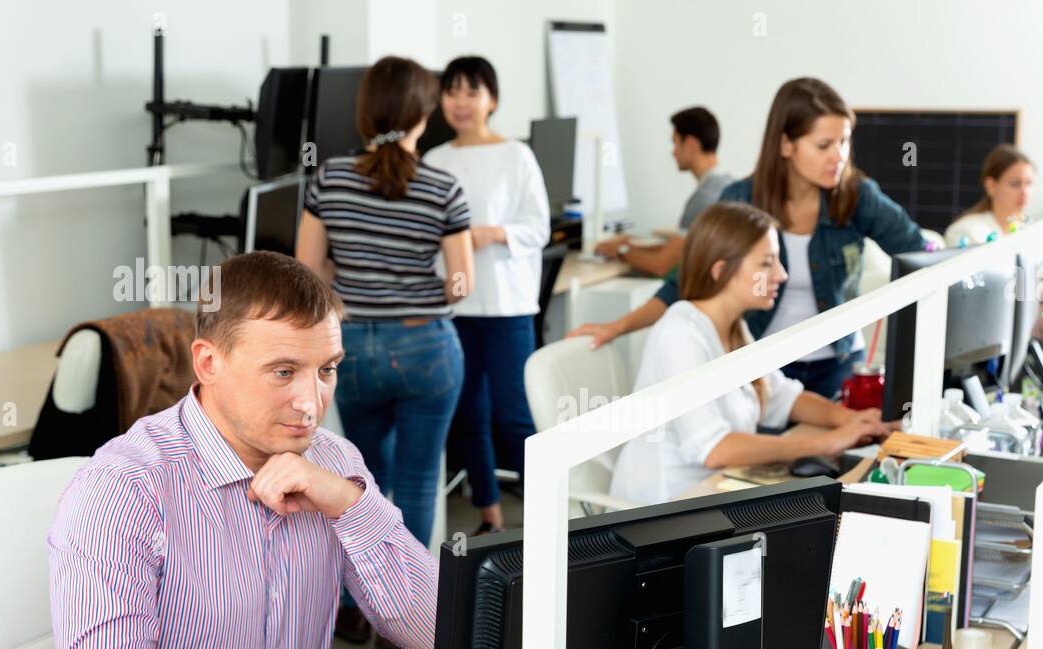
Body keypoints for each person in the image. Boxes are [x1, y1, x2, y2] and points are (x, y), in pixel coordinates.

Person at [13, 253, 438, 649]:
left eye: (327, 369)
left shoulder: (332, 461)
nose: (312, 403)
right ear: (209, 362)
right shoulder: (127, 487)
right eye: (283, 372)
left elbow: (432, 628)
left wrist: (350, 505)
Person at [569, 78, 925, 402]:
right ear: (786, 145)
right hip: (760, 362)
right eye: (824, 145)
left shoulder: (856, 196)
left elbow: (920, 253)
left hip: (838, 363)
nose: (839, 156)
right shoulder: (740, 200)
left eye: (845, 142)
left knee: (835, 461)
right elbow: (684, 282)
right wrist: (618, 326)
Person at [296, 55, 473, 548]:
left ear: (366, 111)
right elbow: (462, 282)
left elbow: (309, 273)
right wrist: (421, 287)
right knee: (418, 480)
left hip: (351, 348)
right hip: (426, 345)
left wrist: (353, 278)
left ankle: (360, 602)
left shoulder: (328, 179)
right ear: (423, 114)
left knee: (359, 479)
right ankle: (410, 605)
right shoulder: (443, 186)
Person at [609, 202, 893, 506]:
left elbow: (782, 396)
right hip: (663, 508)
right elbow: (715, 449)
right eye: (766, 263)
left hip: (713, 493)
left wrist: (854, 420)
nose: (782, 275)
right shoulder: (679, 334)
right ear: (721, 270)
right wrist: (824, 444)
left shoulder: (735, 328)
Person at [422, 56, 549, 535]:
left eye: (471, 92)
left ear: (491, 100)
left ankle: (545, 520)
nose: (460, 102)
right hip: (453, 308)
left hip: (506, 306)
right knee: (467, 415)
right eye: (452, 92)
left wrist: (488, 234)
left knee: (515, 416)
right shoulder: (434, 160)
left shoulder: (516, 155)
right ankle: (490, 516)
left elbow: (538, 228)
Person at [589, 107, 734, 276]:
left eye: (675, 142)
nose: (673, 152)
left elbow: (662, 265)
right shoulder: (728, 184)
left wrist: (621, 251)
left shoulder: (703, 199)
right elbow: (678, 250)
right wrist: (631, 247)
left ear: (691, 144)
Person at [945, 143, 1043, 269]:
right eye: (1015, 184)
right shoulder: (965, 232)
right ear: (991, 186)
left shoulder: (1033, 230)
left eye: (1028, 183)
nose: (1024, 192)